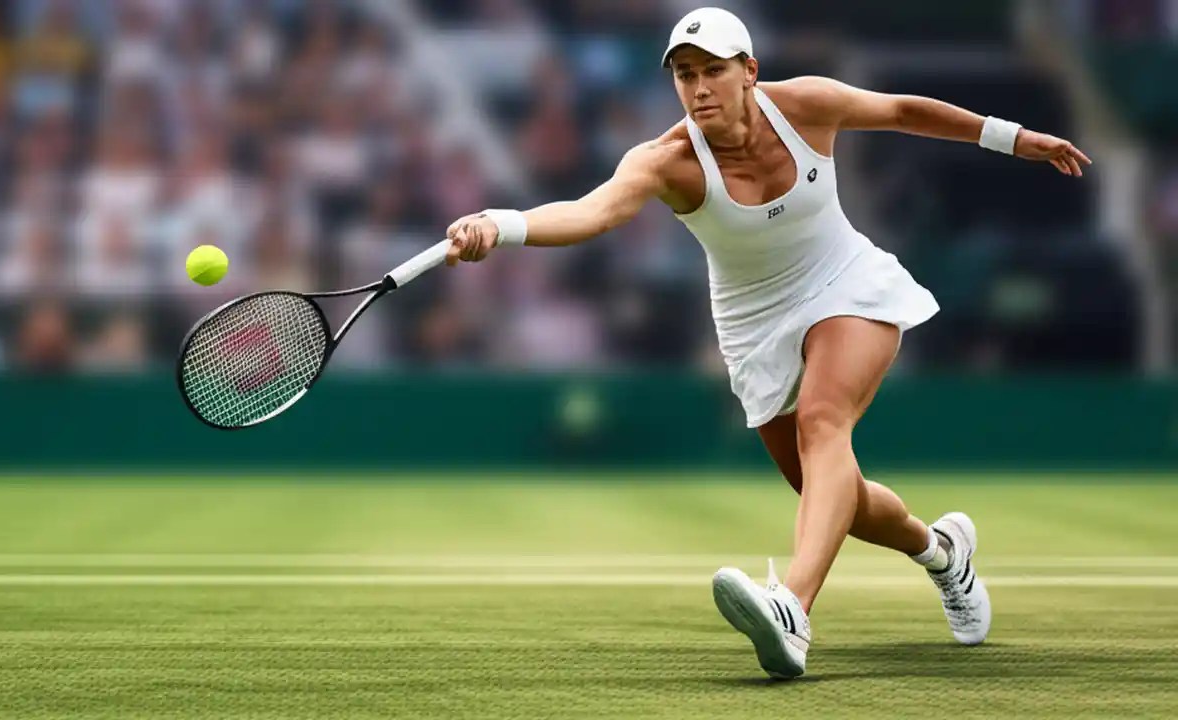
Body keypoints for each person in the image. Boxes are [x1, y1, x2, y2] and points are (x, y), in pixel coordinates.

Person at [441, 7, 1092, 679]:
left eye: (713, 72)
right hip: (753, 323)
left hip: (847, 285)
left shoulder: (807, 105)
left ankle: (792, 611)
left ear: (749, 72)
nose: (698, 89)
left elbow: (900, 110)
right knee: (834, 492)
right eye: (685, 76)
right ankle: (941, 552)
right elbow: (591, 212)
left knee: (823, 421)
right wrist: (502, 222)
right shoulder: (665, 161)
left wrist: (1012, 138)